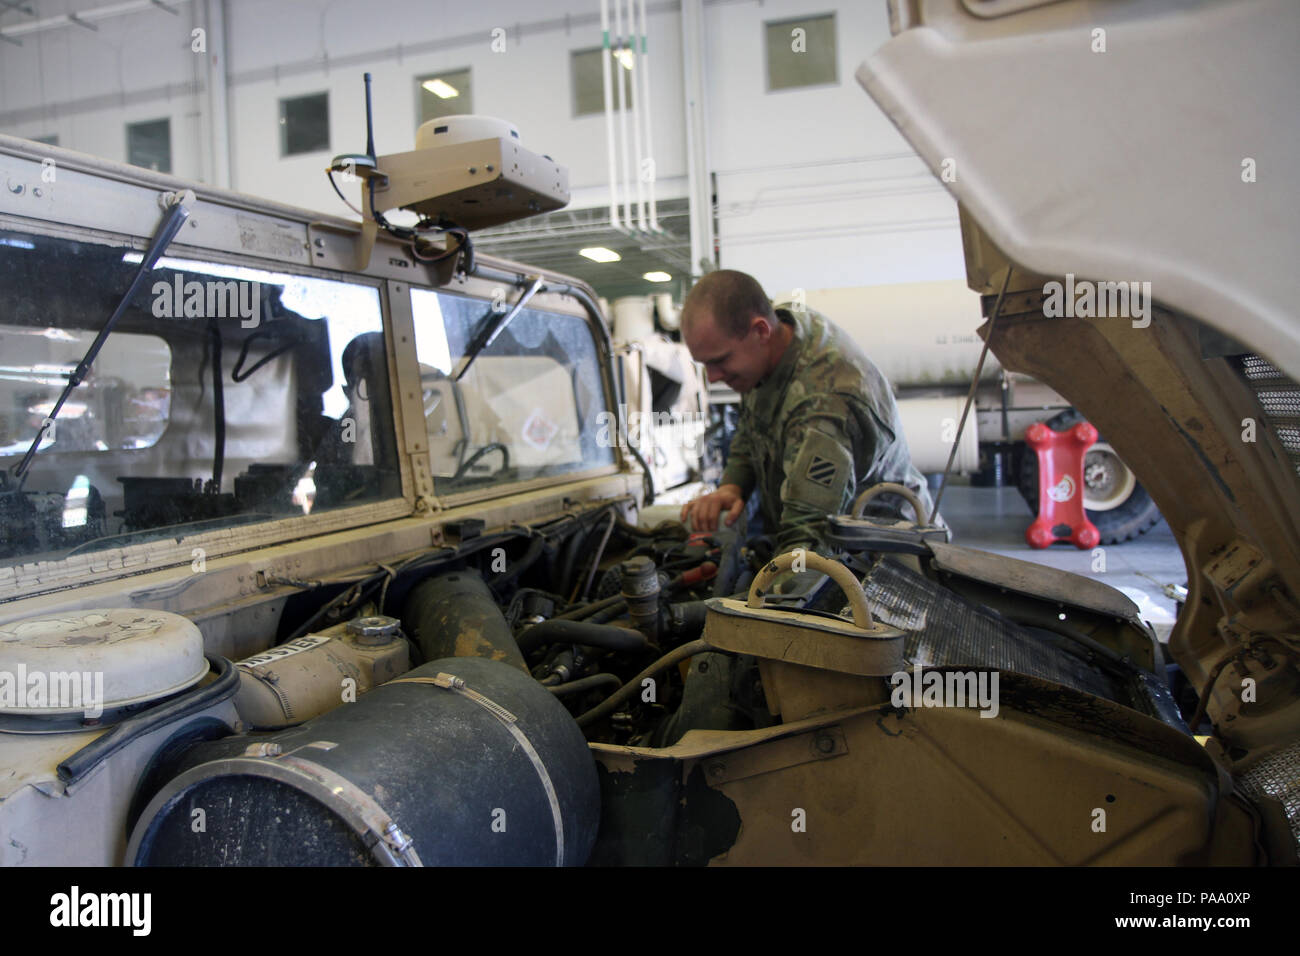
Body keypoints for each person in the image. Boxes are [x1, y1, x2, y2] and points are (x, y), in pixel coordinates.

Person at [679, 269, 934, 554]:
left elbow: (807, 539)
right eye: (705, 365)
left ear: (761, 330)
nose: (712, 378)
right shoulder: (774, 342)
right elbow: (752, 428)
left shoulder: (827, 400)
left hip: (884, 555)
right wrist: (732, 486)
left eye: (720, 361)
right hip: (832, 546)